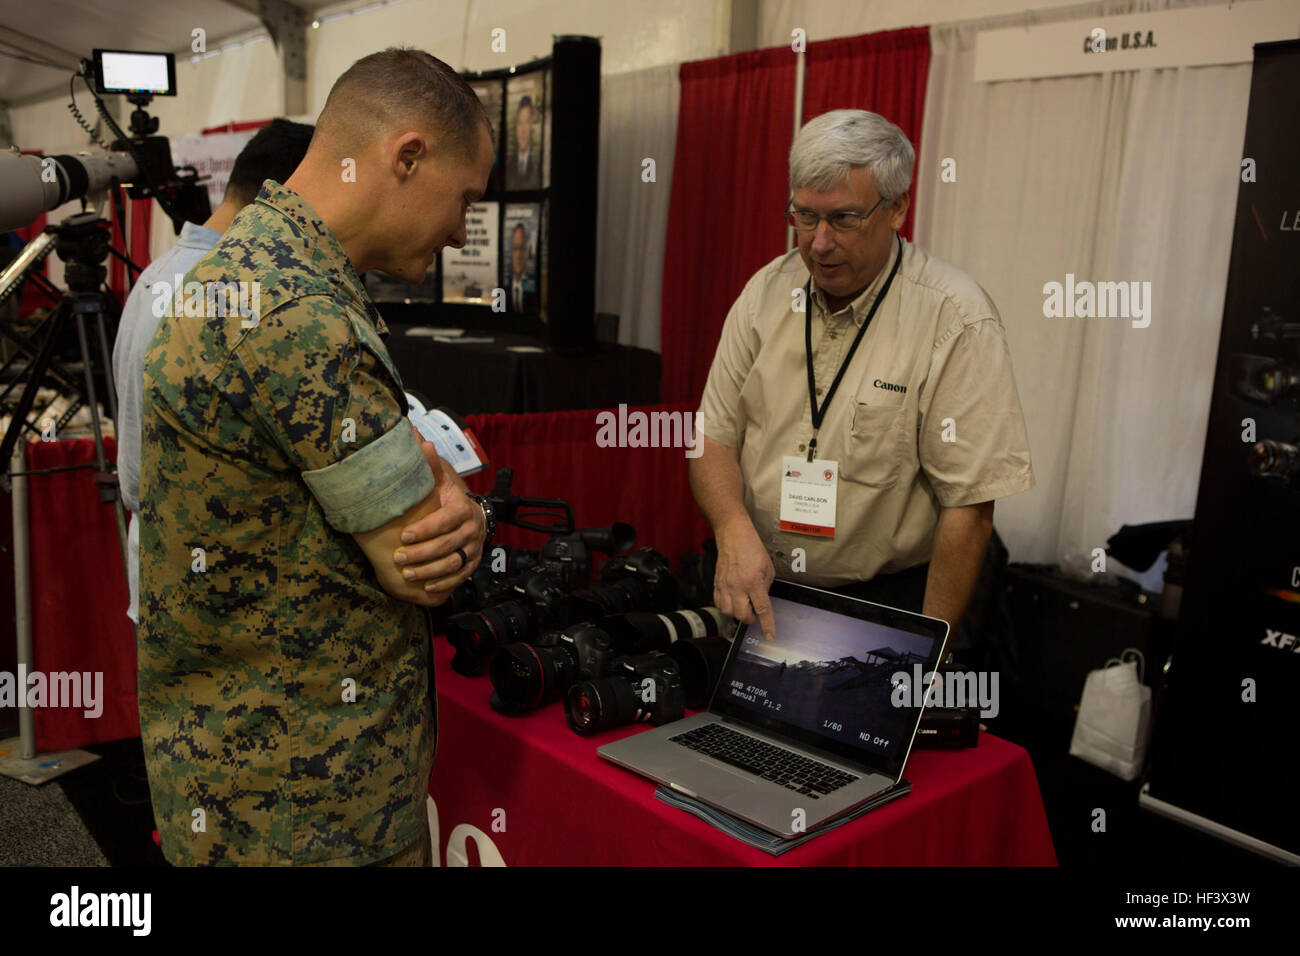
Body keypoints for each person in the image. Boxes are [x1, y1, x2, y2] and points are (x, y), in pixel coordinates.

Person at [137, 47, 494, 866]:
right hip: (310, 806)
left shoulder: (254, 268)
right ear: (408, 156)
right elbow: (422, 564)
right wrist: (462, 508)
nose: (459, 229)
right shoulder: (299, 310)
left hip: (248, 782)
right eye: (464, 199)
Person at [691, 109, 1034, 643]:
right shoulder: (765, 293)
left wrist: (925, 650)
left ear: (898, 207)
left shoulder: (956, 318)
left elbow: (970, 506)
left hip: (879, 608)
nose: (819, 243)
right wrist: (731, 527)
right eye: (805, 216)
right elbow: (712, 436)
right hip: (756, 587)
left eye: (844, 219)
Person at [113, 118, 315, 627]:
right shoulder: (227, 288)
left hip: (168, 570)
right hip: (214, 595)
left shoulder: (160, 272)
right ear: (286, 198)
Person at [508, 94, 539, 189]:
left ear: (531, 127)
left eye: (527, 122)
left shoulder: (538, 165)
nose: (523, 130)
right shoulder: (508, 165)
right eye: (520, 123)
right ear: (516, 128)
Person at [507, 222, 537, 313]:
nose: (518, 255)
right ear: (511, 252)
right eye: (515, 248)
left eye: (522, 248)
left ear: (527, 252)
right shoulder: (503, 290)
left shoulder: (533, 290)